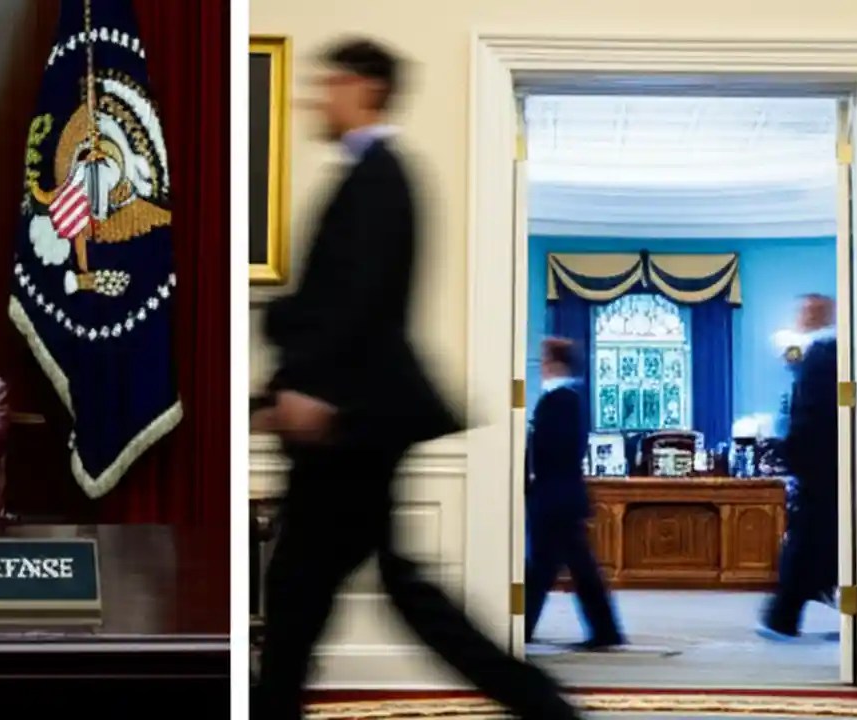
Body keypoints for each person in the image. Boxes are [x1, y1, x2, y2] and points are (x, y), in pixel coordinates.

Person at [252, 38, 582, 720]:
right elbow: (338, 302)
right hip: (356, 422)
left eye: (329, 83)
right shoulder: (371, 175)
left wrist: (308, 388)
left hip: (349, 427)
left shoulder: (381, 178)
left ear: (365, 88)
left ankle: (544, 706)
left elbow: (359, 300)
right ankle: (543, 705)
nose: (317, 97)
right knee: (367, 590)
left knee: (301, 593)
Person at [524, 338, 624, 650]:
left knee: (560, 568)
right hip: (559, 496)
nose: (541, 366)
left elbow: (557, 448)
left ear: (556, 363)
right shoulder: (562, 398)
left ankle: (605, 631)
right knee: (551, 568)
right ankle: (523, 625)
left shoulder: (561, 399)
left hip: (557, 497)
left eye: (544, 359)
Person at [760, 293, 839, 639]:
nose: (801, 317)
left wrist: (792, 455)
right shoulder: (819, 352)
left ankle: (784, 615)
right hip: (823, 465)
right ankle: (793, 609)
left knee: (808, 540)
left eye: (808, 311)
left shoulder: (823, 354)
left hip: (819, 465)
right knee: (820, 540)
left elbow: (810, 416)